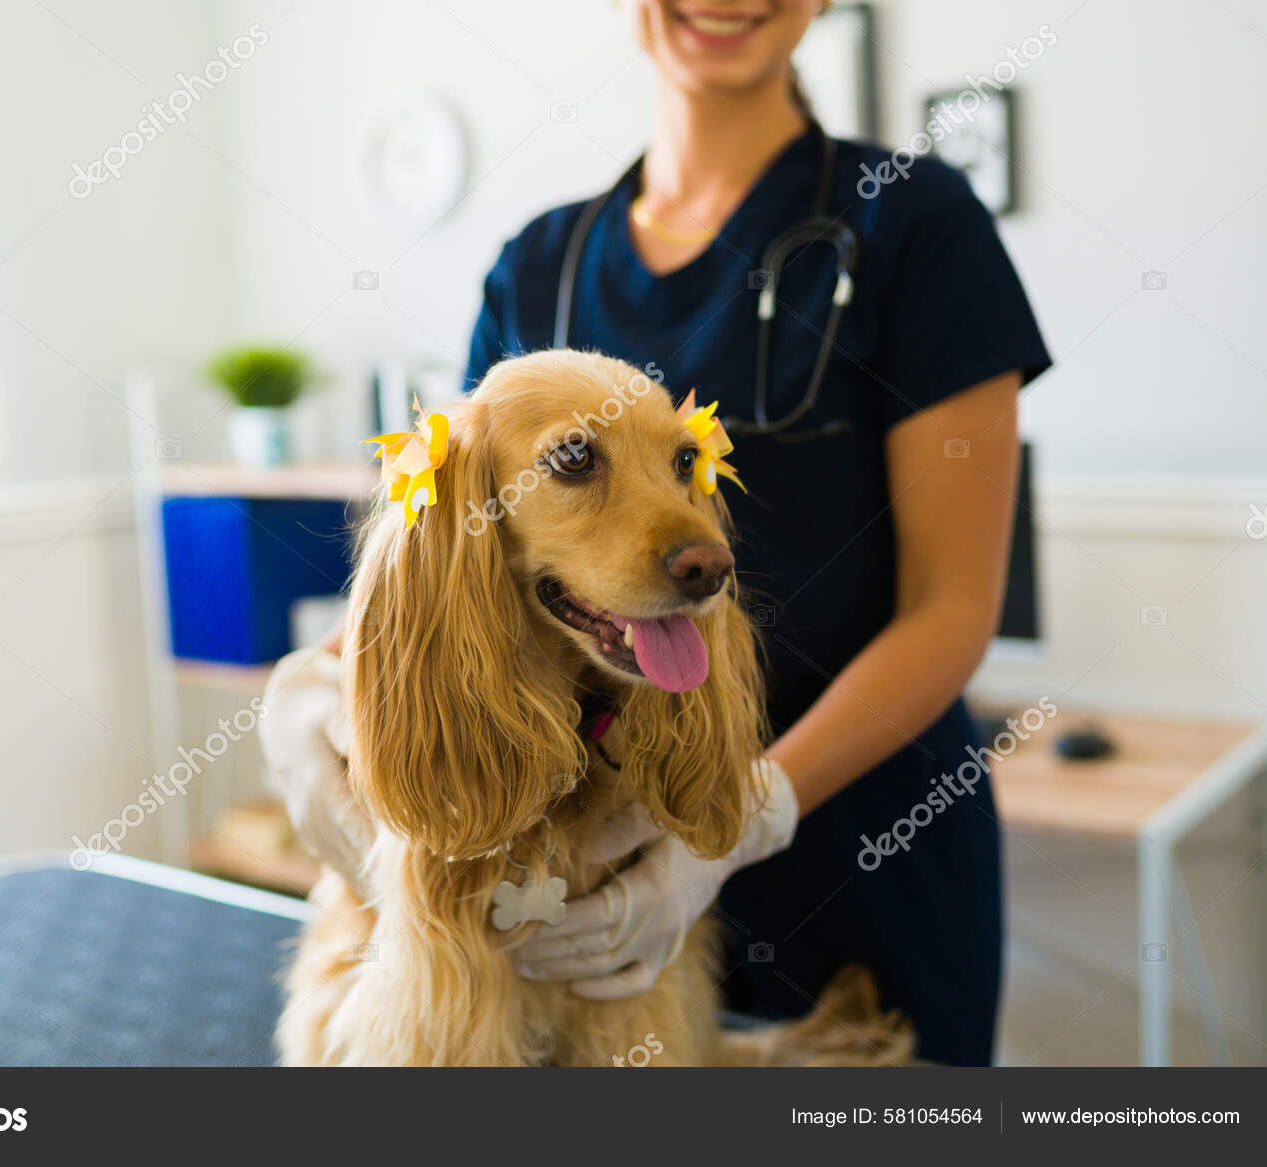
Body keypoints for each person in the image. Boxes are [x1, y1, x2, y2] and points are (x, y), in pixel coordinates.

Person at [258, 0, 1049, 1066]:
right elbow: (463, 556)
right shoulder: (535, 264)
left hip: (865, 855)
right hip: (568, 850)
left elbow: (952, 609)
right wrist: (313, 691)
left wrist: (746, 814)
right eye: (578, 460)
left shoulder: (913, 221)